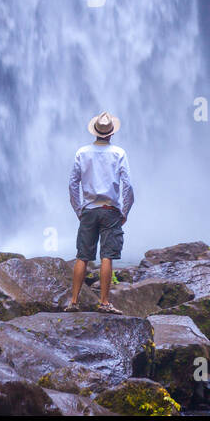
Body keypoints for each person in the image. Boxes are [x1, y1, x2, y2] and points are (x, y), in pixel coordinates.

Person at [65, 110, 134, 314]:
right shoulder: (119, 153)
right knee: (107, 256)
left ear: (95, 131)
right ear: (111, 133)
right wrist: (125, 211)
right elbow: (128, 186)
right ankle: (104, 303)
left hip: (88, 210)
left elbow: (72, 184)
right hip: (110, 209)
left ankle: (74, 302)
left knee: (82, 256)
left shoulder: (82, 152)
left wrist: (79, 209)